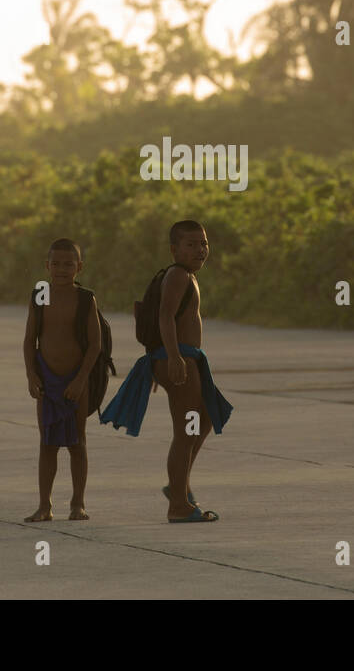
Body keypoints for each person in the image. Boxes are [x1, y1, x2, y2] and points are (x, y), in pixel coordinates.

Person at [100, 220, 232, 522]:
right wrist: (172, 358)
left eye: (204, 243)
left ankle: (178, 485)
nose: (200, 249)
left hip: (187, 358)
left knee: (206, 416)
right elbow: (165, 317)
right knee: (186, 431)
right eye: (191, 244)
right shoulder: (176, 275)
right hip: (180, 358)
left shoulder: (186, 275)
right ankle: (178, 505)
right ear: (174, 249)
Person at [22, 238, 101, 522]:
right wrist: (32, 374)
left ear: (79, 267)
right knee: (47, 443)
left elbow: (95, 345)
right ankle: (45, 505)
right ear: (47, 266)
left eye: (69, 264)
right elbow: (30, 339)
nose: (62, 269)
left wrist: (81, 379)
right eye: (56, 264)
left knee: (77, 443)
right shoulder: (41, 294)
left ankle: (78, 503)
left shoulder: (85, 298)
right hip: (47, 379)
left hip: (76, 380)